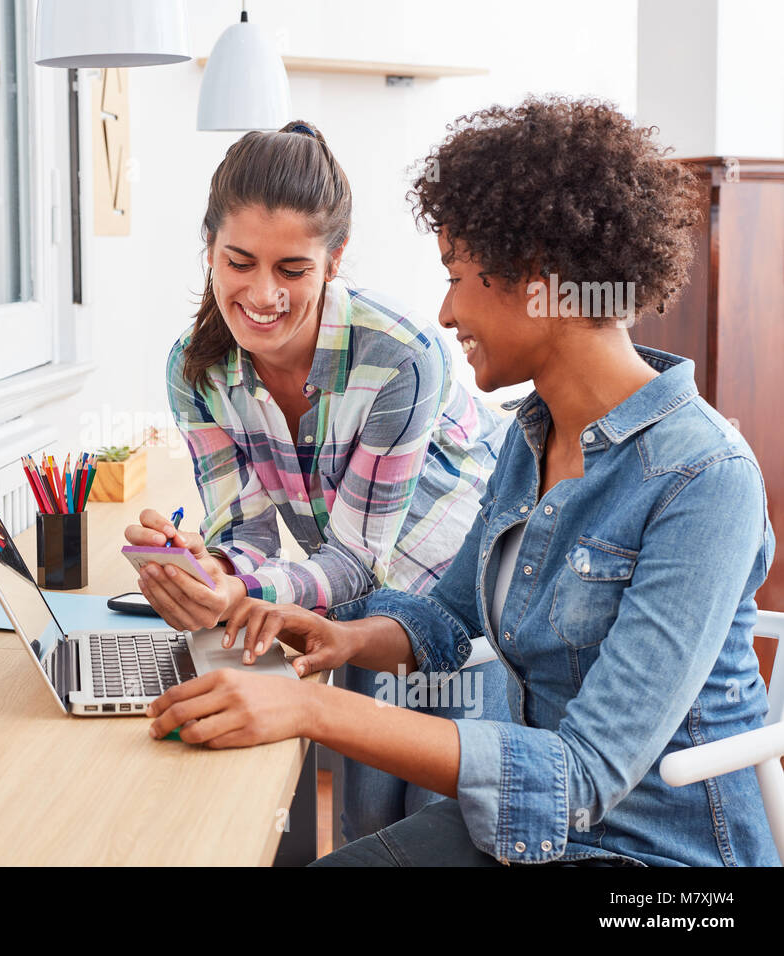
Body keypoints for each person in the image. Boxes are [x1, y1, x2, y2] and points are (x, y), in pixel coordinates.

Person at [141, 95, 780, 866]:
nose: (444, 313)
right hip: (534, 834)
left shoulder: (703, 479)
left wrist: (308, 707)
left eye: (456, 276)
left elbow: (583, 775)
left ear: (537, 277)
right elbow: (446, 624)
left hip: (663, 866)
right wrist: (339, 636)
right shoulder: (531, 437)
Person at [124, 119, 510, 842]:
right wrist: (206, 571)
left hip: (461, 613)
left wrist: (242, 590)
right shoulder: (196, 370)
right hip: (360, 623)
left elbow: (360, 558)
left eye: (292, 270)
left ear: (333, 260)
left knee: (452, 836)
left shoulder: (400, 354)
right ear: (209, 249)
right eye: (239, 262)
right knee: (367, 829)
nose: (263, 294)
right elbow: (246, 531)